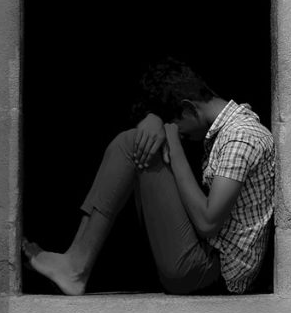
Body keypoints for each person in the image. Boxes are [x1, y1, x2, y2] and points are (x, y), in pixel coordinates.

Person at [22, 58, 274, 295]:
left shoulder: (241, 136)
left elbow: (208, 222)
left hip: (215, 276)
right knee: (131, 142)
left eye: (178, 126)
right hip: (204, 260)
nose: (181, 135)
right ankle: (75, 259)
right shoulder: (223, 131)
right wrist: (159, 126)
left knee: (131, 144)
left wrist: (173, 142)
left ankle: (75, 267)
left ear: (188, 108)